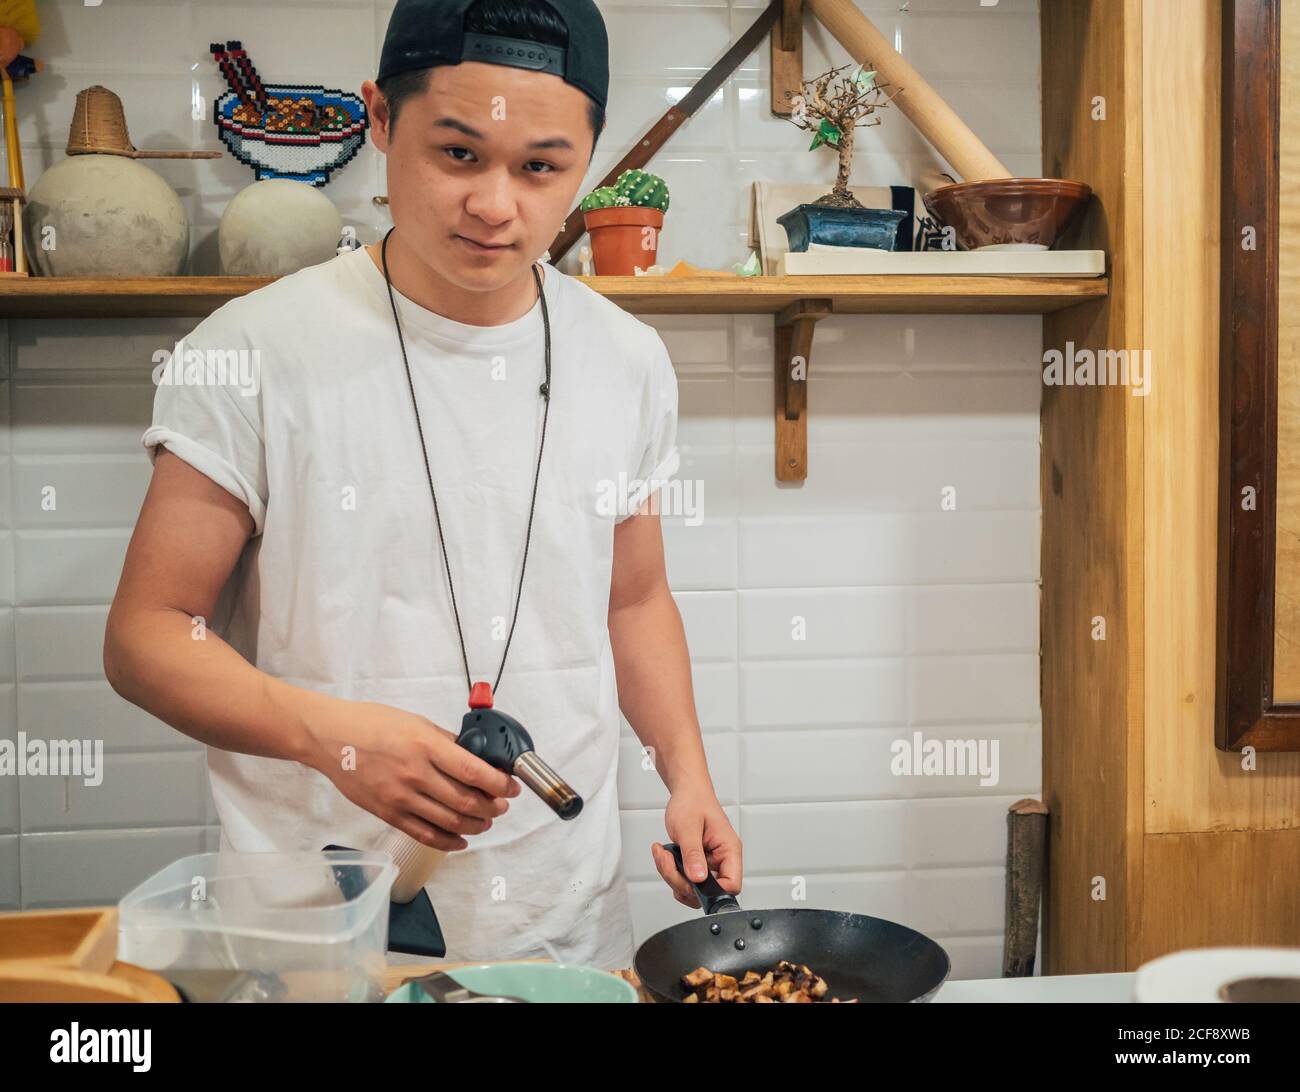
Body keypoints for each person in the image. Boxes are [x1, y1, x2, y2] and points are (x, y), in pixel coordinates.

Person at [103, 0, 742, 969]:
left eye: (540, 167)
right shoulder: (249, 352)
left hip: (560, 927)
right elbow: (147, 635)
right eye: (457, 155)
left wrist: (686, 774)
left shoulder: (628, 360)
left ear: (587, 154)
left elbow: (635, 597)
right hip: (318, 933)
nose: (496, 204)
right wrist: (336, 738)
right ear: (379, 120)